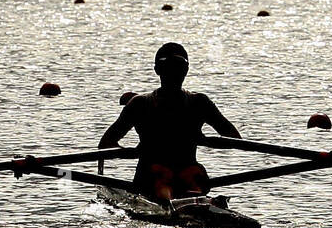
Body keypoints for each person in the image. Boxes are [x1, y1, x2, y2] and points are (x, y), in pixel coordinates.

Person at [98, 43, 242, 202]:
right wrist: (133, 153)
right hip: (152, 175)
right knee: (162, 173)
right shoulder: (140, 103)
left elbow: (234, 138)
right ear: (158, 70)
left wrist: (204, 140)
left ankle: (188, 200)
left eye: (177, 67)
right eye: (170, 67)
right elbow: (106, 143)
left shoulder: (199, 102)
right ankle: (180, 202)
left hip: (186, 172)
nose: (174, 72)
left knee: (192, 173)